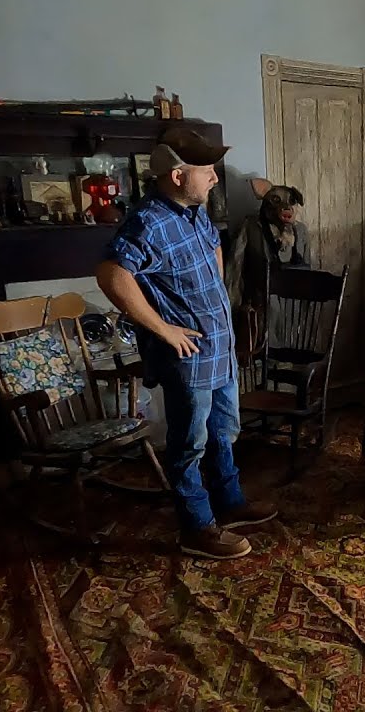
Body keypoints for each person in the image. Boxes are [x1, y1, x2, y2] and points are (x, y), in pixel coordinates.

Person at [97, 129, 276, 559]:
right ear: (177, 175)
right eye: (207, 171)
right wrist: (164, 329)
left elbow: (214, 252)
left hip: (220, 350)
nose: (215, 178)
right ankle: (196, 527)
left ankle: (230, 504)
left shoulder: (196, 212)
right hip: (189, 358)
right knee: (189, 444)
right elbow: (112, 275)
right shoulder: (147, 221)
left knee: (224, 432)